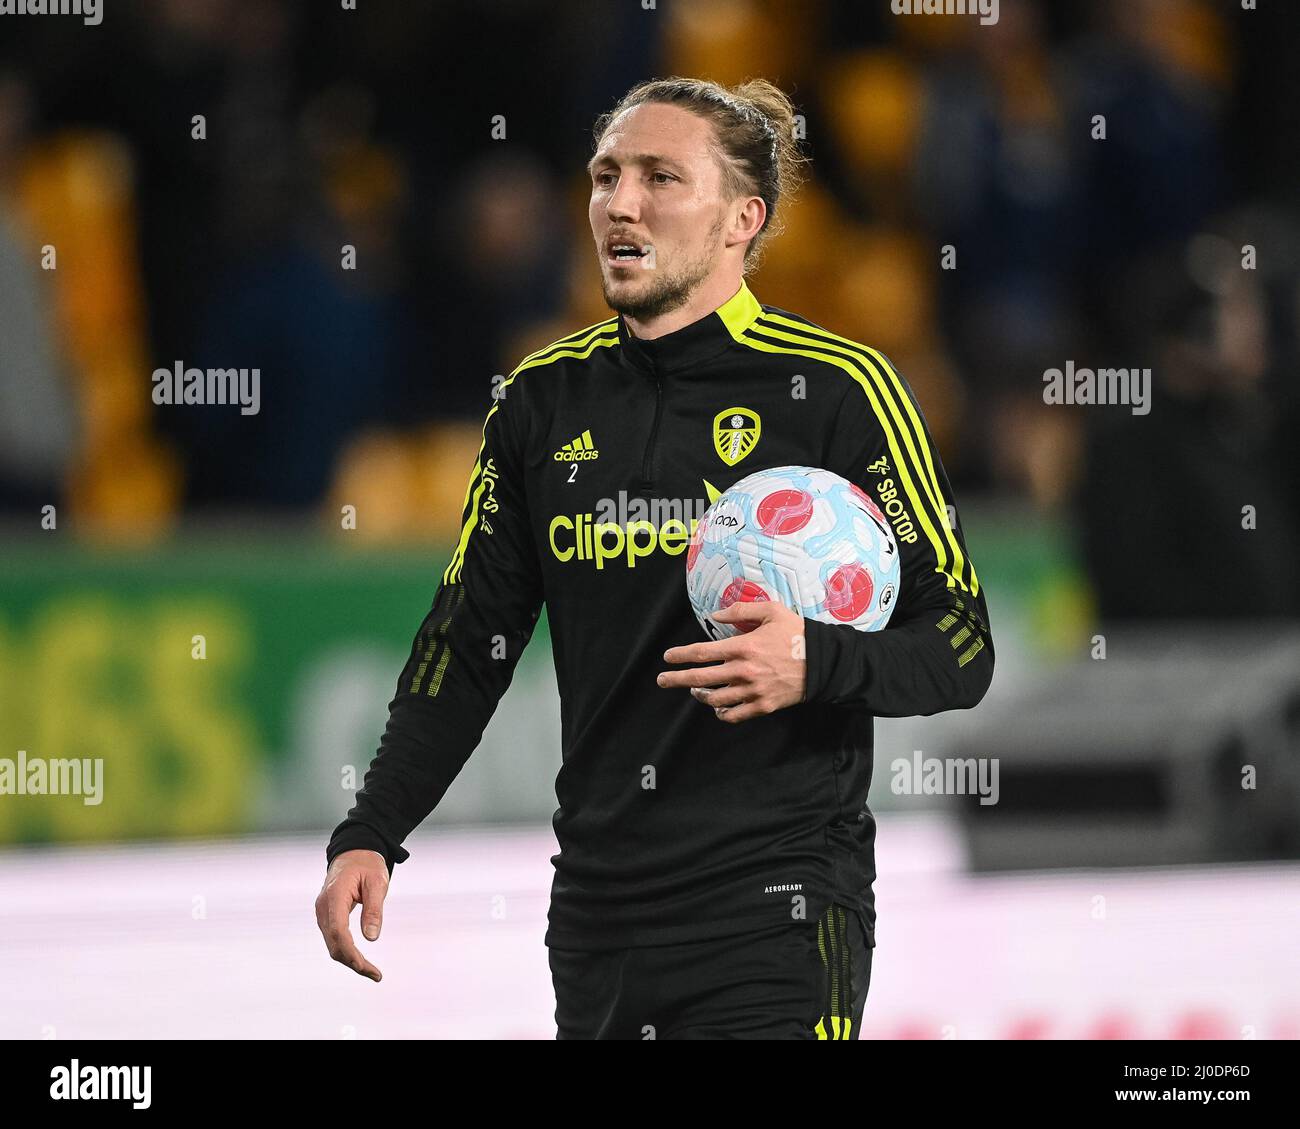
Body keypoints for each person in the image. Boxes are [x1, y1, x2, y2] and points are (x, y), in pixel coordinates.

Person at [315, 76, 994, 1040]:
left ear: (740, 219)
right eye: (605, 177)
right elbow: (469, 646)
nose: (619, 204)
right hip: (599, 917)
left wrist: (818, 662)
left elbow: (962, 643)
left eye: (661, 177)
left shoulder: (839, 391)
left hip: (782, 905)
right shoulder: (541, 403)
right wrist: (373, 829)